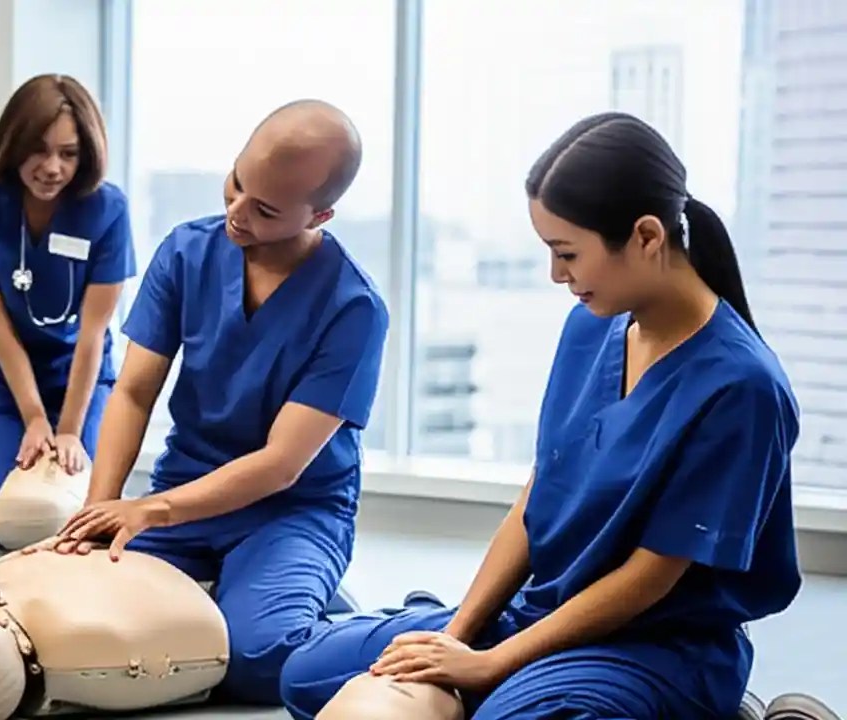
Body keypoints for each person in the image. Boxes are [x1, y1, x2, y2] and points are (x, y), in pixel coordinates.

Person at [278, 111, 803, 720]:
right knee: (305, 674)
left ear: (646, 237)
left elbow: (650, 578)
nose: (557, 275)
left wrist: (493, 664)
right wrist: (458, 636)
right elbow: (538, 497)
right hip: (541, 611)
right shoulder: (591, 327)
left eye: (567, 253)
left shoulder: (741, 387)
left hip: (652, 645)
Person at [33, 99, 390, 705]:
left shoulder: (354, 307)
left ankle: (391, 619)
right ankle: (266, 594)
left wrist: (151, 512)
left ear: (320, 215)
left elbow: (281, 465)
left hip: (292, 510)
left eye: (265, 209)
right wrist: (99, 512)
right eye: (236, 182)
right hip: (186, 490)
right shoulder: (186, 251)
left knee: (259, 661)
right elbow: (134, 392)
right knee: (79, 613)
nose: (236, 213)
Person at [0, 73, 135, 547]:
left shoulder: (108, 209)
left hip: (78, 370)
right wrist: (35, 418)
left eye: (69, 153)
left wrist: (69, 429)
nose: (52, 168)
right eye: (38, 150)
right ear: (12, 144)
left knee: (82, 514)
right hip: (0, 371)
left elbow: (94, 332)